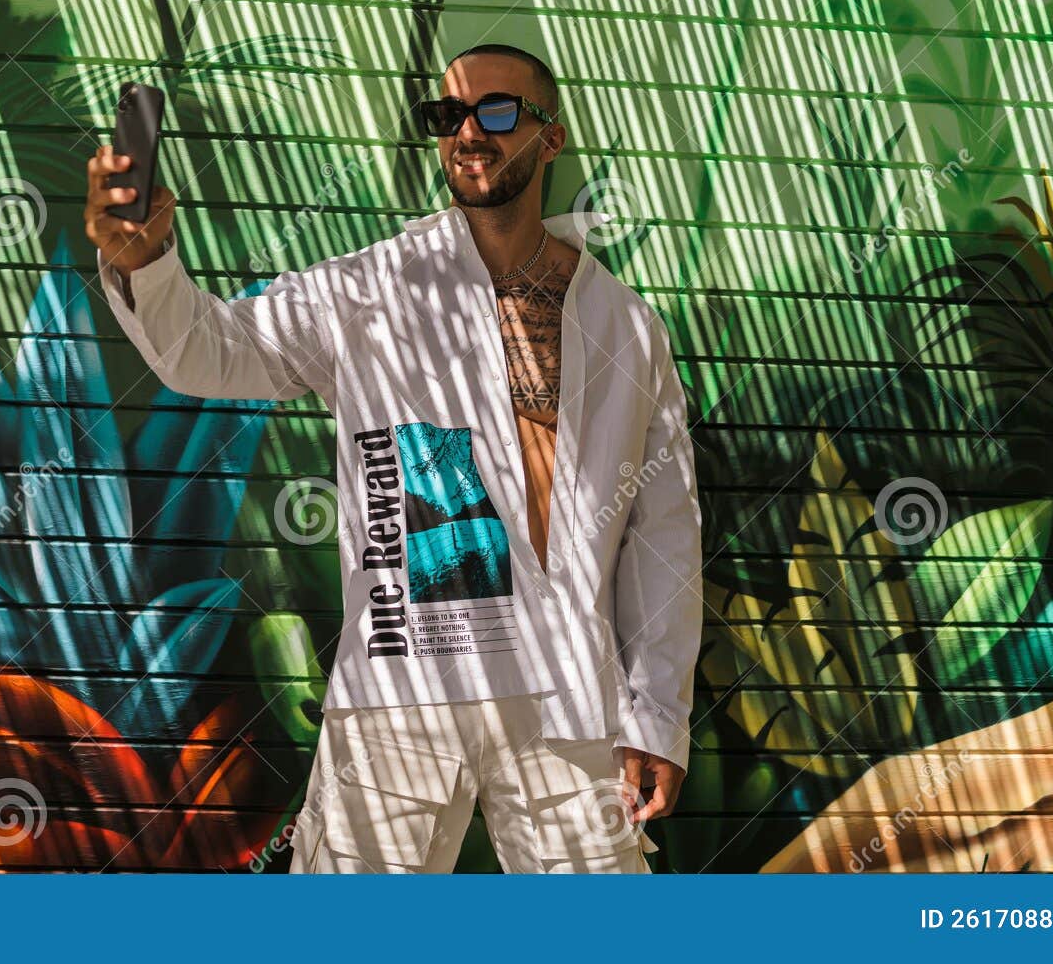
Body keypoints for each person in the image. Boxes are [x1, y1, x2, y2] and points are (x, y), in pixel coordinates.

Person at [85, 43, 703, 873]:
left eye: (496, 111)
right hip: (405, 680)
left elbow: (664, 532)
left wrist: (658, 711)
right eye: (448, 116)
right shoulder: (368, 291)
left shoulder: (625, 325)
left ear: (551, 135)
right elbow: (209, 348)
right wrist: (146, 262)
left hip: (565, 688)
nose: (468, 133)